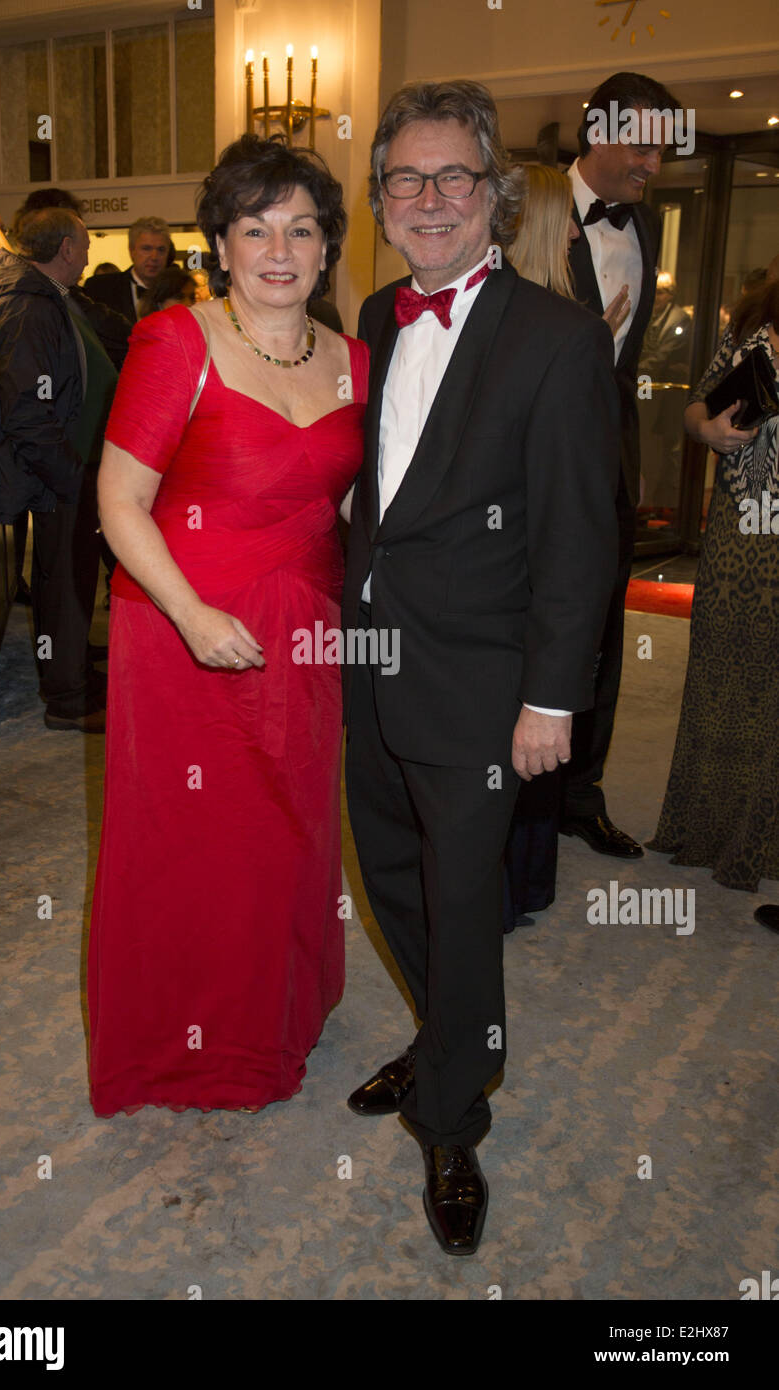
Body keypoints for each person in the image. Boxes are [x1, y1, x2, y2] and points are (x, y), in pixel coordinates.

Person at [342, 81, 619, 1256]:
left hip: (480, 676)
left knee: (462, 898)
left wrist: (551, 694)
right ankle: (438, 1032)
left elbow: (579, 534)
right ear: (383, 202)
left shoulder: (557, 339)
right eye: (406, 179)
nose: (430, 199)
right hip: (366, 654)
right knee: (392, 876)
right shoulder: (368, 314)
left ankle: (453, 1120)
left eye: (453, 176)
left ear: (494, 195)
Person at [87, 135, 368, 1117]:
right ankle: (190, 1043)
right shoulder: (177, 340)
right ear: (221, 242)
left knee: (288, 834)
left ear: (328, 249)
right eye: (255, 228)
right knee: (201, 843)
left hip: (307, 628)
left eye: (300, 228)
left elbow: (342, 507)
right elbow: (118, 501)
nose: (278, 249)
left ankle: (280, 1008)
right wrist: (194, 615)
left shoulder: (354, 359)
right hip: (184, 632)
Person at [504, 163, 628, 932]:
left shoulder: (562, 328)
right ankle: (527, 879)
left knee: (530, 718)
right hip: (530, 559)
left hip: (536, 555)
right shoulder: (565, 323)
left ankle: (520, 882)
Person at [561, 70, 676, 861]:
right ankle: (520, 790)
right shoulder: (525, 208)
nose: (654, 166)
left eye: (663, 151)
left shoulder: (651, 225)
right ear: (596, 127)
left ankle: (582, 794)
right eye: (641, 144)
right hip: (534, 462)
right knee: (540, 626)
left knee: (604, 627)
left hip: (611, 460)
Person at [0, 207, 118, 731]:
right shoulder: (27, 306)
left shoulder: (50, 297)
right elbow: (27, 410)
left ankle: (74, 666)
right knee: (62, 585)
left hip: (74, 466)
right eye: (85, 245)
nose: (90, 255)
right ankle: (67, 697)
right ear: (67, 250)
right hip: (60, 473)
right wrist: (72, 476)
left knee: (72, 576)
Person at [648, 275, 779, 891]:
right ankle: (709, 826)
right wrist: (709, 431)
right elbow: (695, 404)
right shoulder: (750, 325)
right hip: (737, 529)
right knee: (722, 674)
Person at [83, 216, 171, 321]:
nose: (154, 257)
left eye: (161, 250)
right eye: (146, 249)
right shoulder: (101, 288)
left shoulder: (179, 292)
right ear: (131, 250)